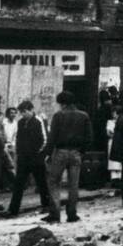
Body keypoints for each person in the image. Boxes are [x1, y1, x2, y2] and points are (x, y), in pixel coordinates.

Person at [43, 91, 92, 223]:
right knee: (74, 185)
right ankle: (72, 214)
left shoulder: (58, 116)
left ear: (62, 103)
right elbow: (89, 138)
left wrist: (47, 154)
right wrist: (82, 152)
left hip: (61, 152)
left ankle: (55, 213)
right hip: (76, 153)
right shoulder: (84, 116)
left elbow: (52, 137)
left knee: (53, 181)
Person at [5, 101, 51, 217]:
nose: (23, 114)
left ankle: (46, 205)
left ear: (31, 110)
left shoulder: (38, 121)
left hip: (36, 158)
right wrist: (19, 152)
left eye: (25, 112)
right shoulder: (20, 123)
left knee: (41, 183)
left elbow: (45, 140)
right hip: (23, 158)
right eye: (21, 112)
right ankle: (13, 209)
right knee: (18, 184)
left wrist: (39, 155)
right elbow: (18, 138)